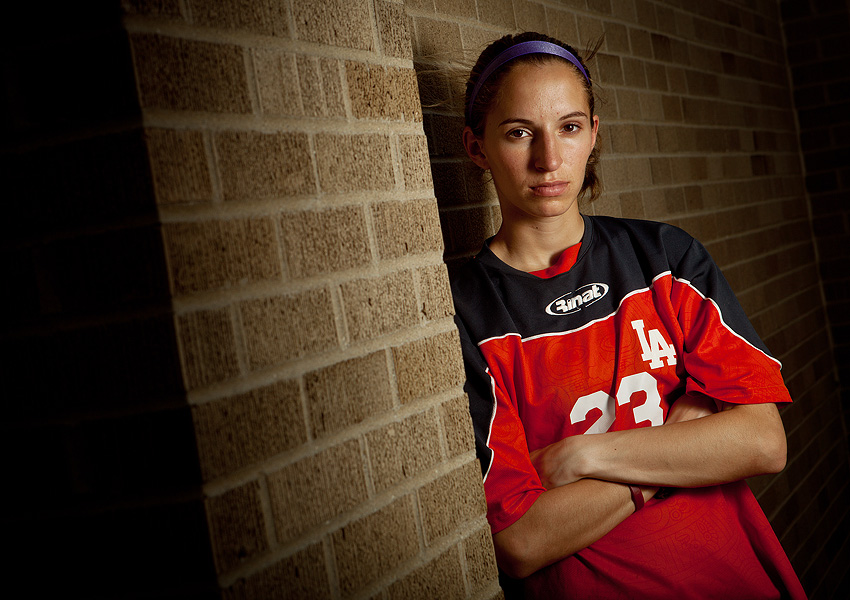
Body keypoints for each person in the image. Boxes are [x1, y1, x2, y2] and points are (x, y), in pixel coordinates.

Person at [450, 31, 807, 599]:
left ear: (593, 133)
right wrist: (671, 446)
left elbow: (762, 441)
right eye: (520, 133)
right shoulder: (467, 312)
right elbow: (519, 542)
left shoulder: (664, 258)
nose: (548, 159)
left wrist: (581, 455)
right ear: (476, 147)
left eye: (569, 127)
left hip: (731, 578)